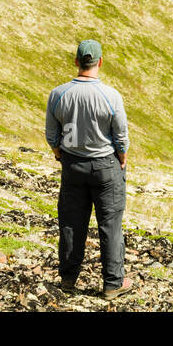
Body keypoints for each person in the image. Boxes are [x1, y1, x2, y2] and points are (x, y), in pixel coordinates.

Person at [44, 39, 132, 298]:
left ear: (76, 61)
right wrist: (122, 155)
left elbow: (52, 134)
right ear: (100, 62)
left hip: (72, 165)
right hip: (106, 166)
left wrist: (59, 152)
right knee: (110, 225)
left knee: (71, 223)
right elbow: (120, 134)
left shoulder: (58, 94)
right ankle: (112, 284)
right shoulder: (110, 95)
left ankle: (69, 279)